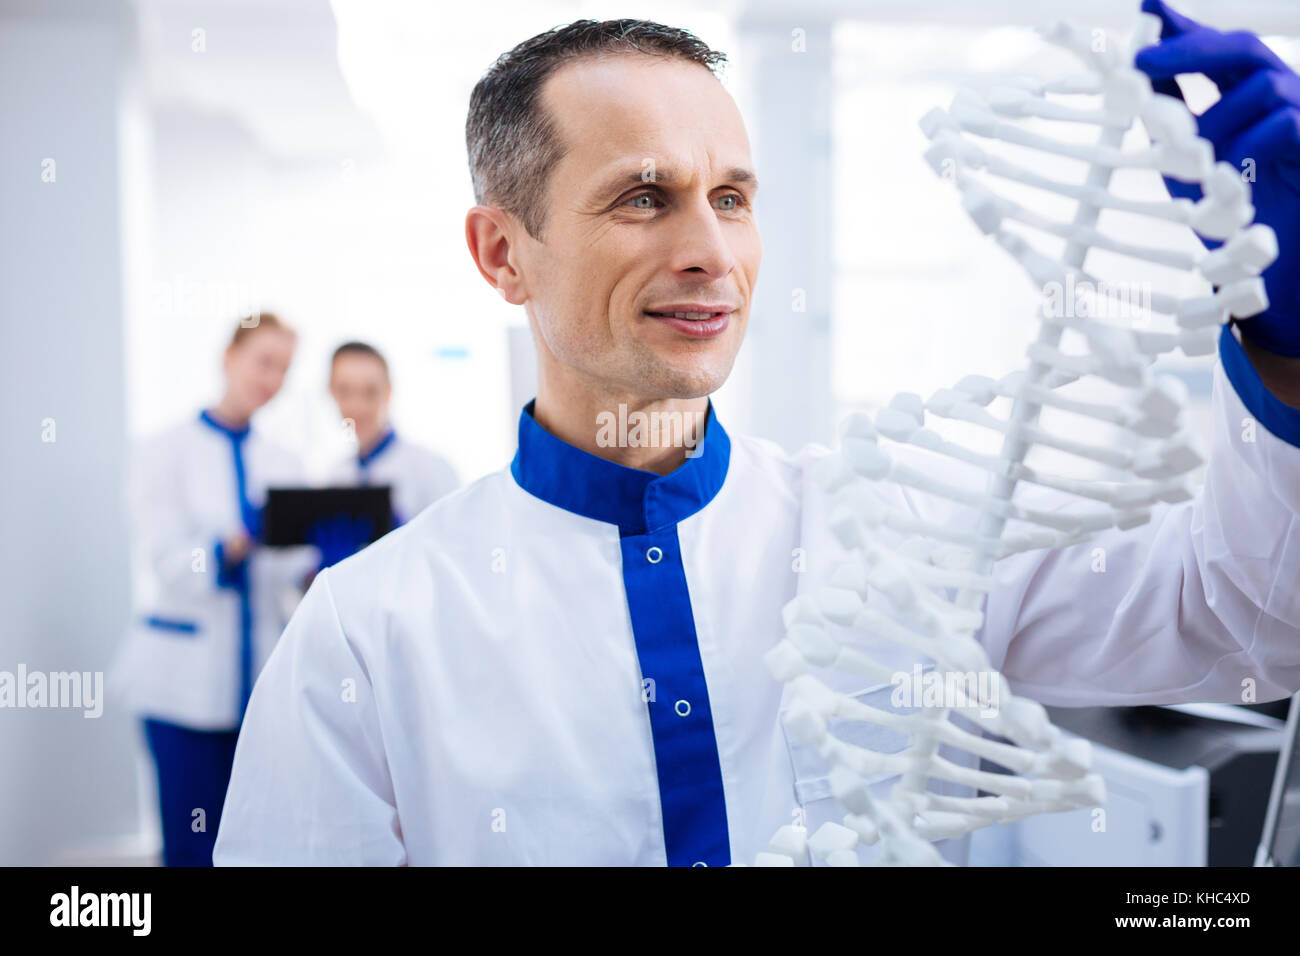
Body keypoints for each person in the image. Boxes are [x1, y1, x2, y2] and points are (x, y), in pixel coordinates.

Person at [214, 4, 1300, 865]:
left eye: (731, 197)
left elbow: (1251, 617)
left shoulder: (902, 531)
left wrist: (1286, 351)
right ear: (502, 252)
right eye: (643, 197)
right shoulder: (364, 637)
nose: (709, 251)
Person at [112, 313, 317, 866]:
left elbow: (291, 569)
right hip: (182, 681)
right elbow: (164, 560)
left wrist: (316, 563)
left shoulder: (284, 462)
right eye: (263, 362)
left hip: (258, 682)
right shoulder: (163, 451)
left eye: (284, 369)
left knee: (254, 841)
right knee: (189, 844)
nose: (272, 379)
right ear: (229, 357)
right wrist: (224, 549)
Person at [326, 341, 459, 529]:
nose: (357, 405)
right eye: (345, 391)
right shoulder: (337, 477)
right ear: (331, 392)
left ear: (388, 392)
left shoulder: (430, 469)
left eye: (369, 392)